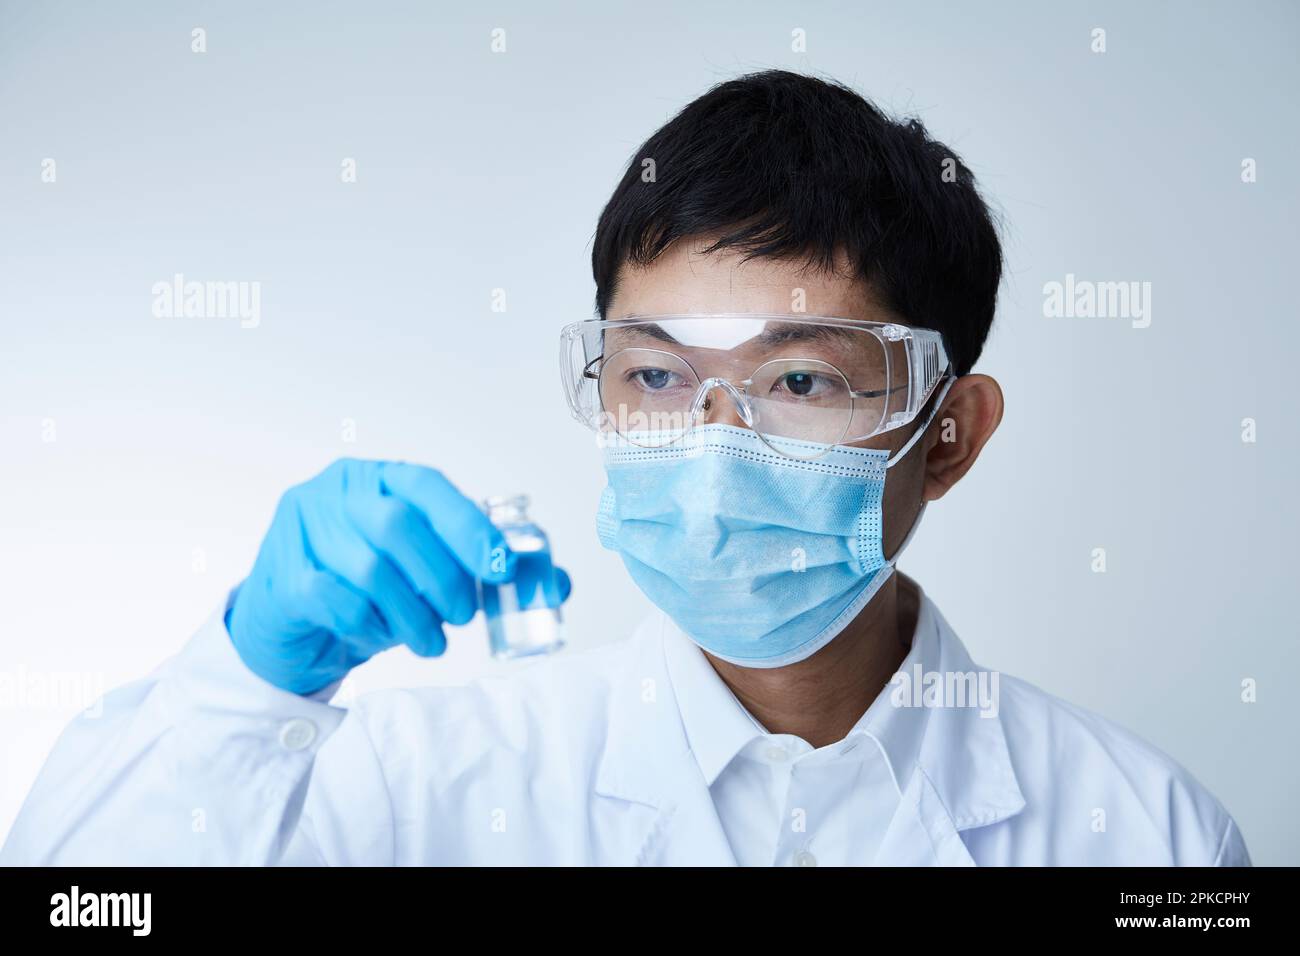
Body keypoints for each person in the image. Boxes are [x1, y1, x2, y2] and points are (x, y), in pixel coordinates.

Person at [2, 70, 1249, 866]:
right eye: (654, 376)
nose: (711, 440)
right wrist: (248, 684)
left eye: (798, 379)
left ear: (950, 433)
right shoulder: (429, 777)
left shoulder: (1147, 837)